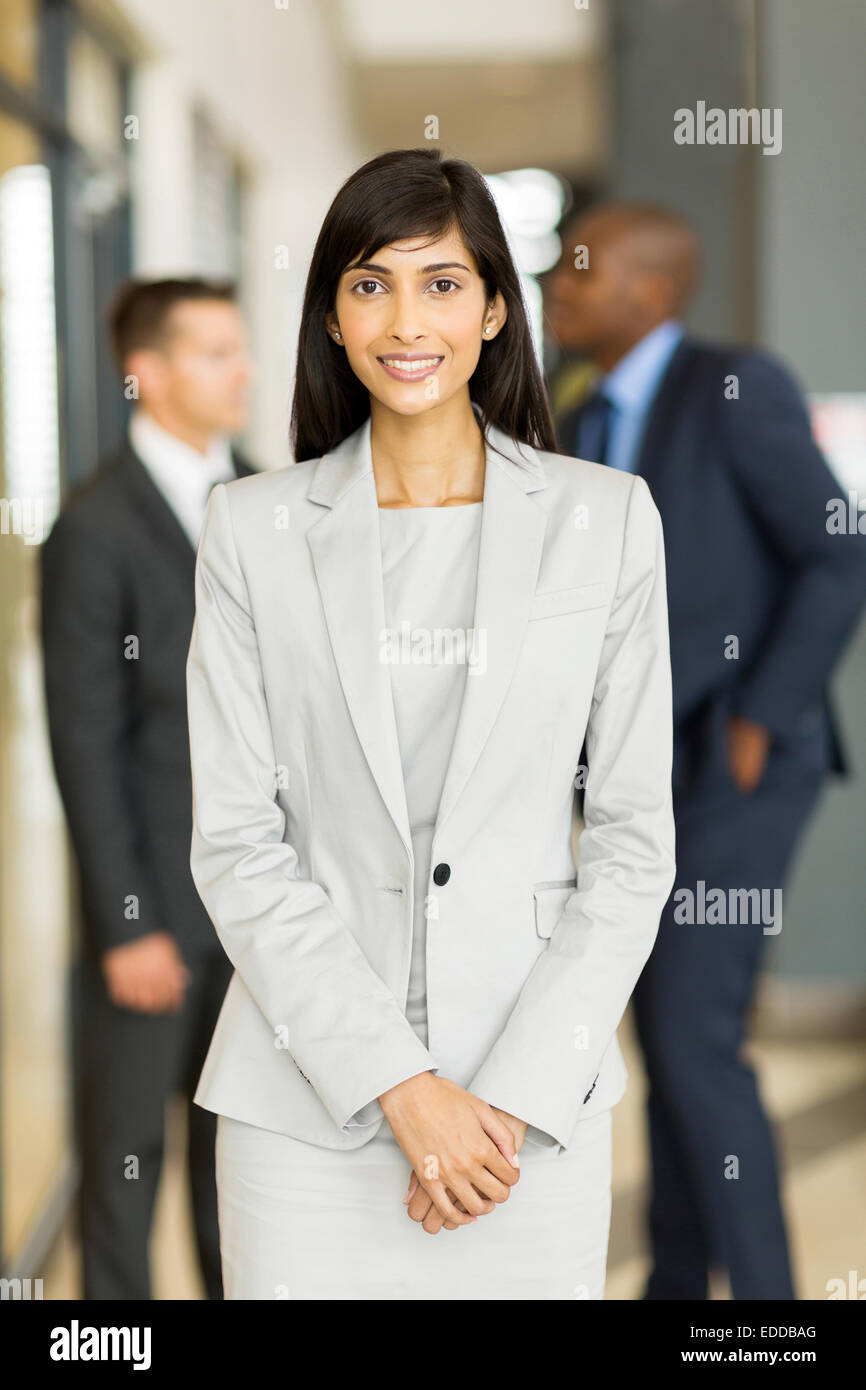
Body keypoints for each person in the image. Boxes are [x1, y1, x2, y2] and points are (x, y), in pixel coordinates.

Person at [186, 149, 676, 1301]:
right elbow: (236, 844)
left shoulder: (603, 522)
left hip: (527, 1116)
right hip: (306, 1105)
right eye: (369, 283)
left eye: (442, 283)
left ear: (497, 307)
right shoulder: (251, 530)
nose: (406, 320)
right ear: (333, 317)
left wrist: (498, 1104)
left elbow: (630, 841)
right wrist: (402, 1087)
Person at [548, 201, 866, 1299]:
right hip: (638, 780)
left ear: (647, 289)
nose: (552, 284)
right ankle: (675, 1291)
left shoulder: (736, 386)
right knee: (663, 1039)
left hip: (734, 770)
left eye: (575, 269)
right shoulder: (579, 416)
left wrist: (753, 716)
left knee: (691, 1039)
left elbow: (837, 554)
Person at [40, 278, 256, 1299]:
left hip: (262, 910)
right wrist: (128, 924)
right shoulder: (95, 524)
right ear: (148, 370)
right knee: (127, 1168)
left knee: (246, 1172)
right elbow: (85, 741)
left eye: (239, 348)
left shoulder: (267, 500)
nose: (241, 369)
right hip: (156, 914)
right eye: (213, 352)